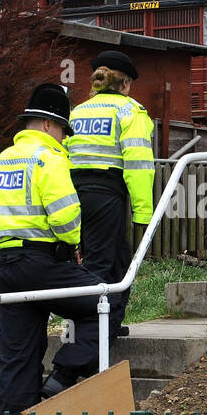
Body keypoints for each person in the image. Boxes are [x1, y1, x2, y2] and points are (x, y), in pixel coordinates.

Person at [0, 84, 103, 415]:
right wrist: (71, 246)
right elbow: (66, 215)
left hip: (3, 265)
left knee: (17, 352)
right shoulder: (49, 159)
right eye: (65, 130)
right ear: (51, 125)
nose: (65, 138)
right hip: (42, 261)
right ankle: (63, 375)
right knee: (104, 302)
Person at [65, 50, 155, 341]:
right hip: (107, 193)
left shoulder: (77, 112)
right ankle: (93, 335)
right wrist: (144, 215)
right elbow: (139, 166)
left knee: (116, 258)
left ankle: (111, 321)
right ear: (126, 83)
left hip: (73, 194)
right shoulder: (130, 111)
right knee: (102, 265)